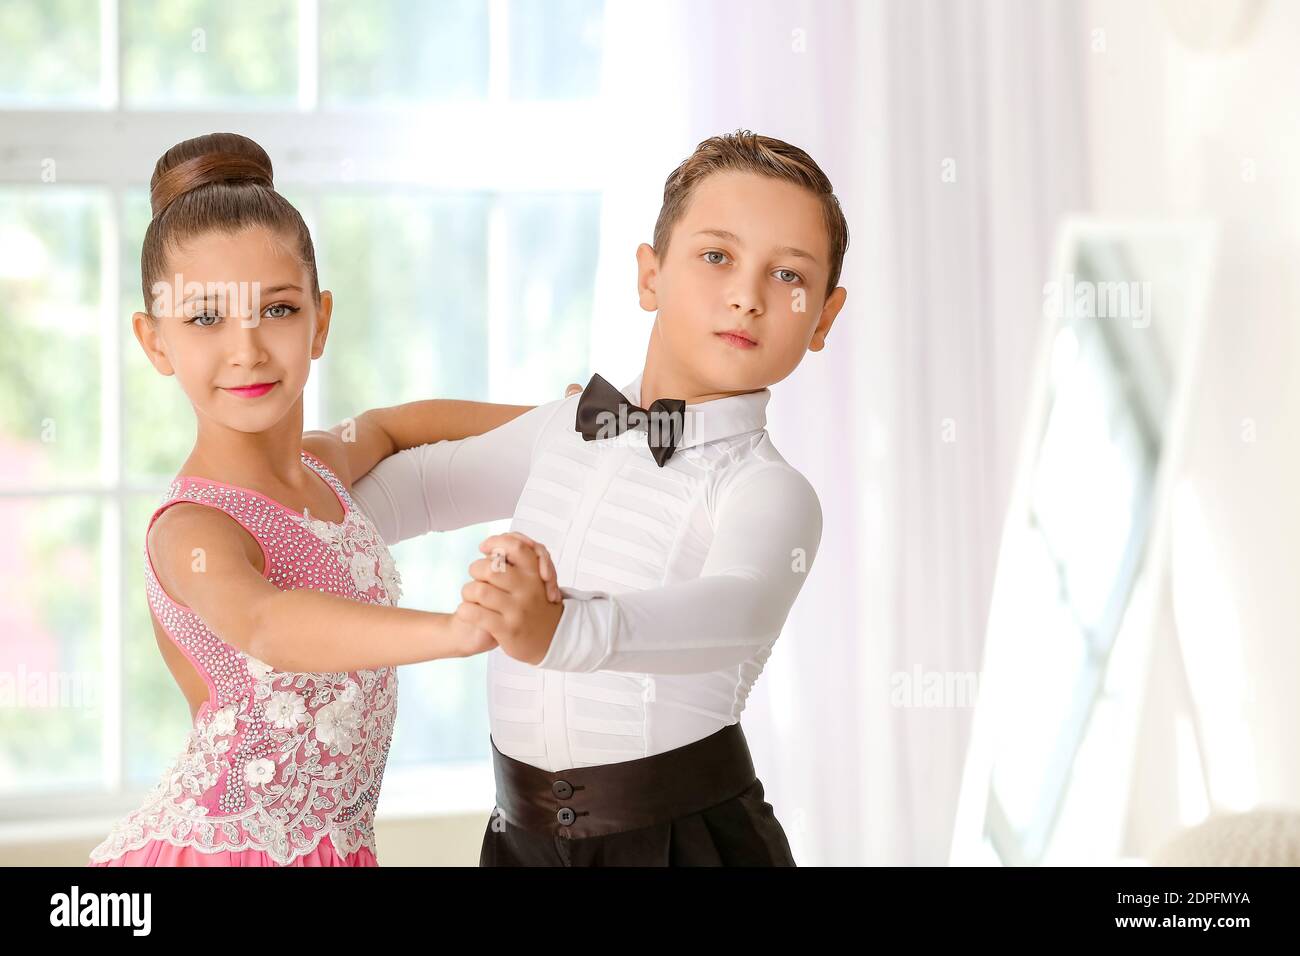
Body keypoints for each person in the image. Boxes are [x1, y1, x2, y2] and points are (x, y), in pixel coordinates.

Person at [351, 130, 849, 866]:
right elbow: (411, 493)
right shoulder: (567, 428)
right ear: (650, 276)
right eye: (717, 257)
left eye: (786, 275)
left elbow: (736, 608)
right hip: (517, 841)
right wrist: (292, 489)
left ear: (825, 318)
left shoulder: (770, 489)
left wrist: (564, 628)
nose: (747, 295)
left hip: (689, 841)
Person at [89, 132, 562, 867]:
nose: (246, 349)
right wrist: (458, 629)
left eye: (276, 310)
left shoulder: (323, 464)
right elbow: (269, 624)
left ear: (321, 321)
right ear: (156, 343)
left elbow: (393, 427)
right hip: (231, 853)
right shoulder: (192, 530)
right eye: (206, 318)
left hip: (335, 847)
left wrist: (555, 423)